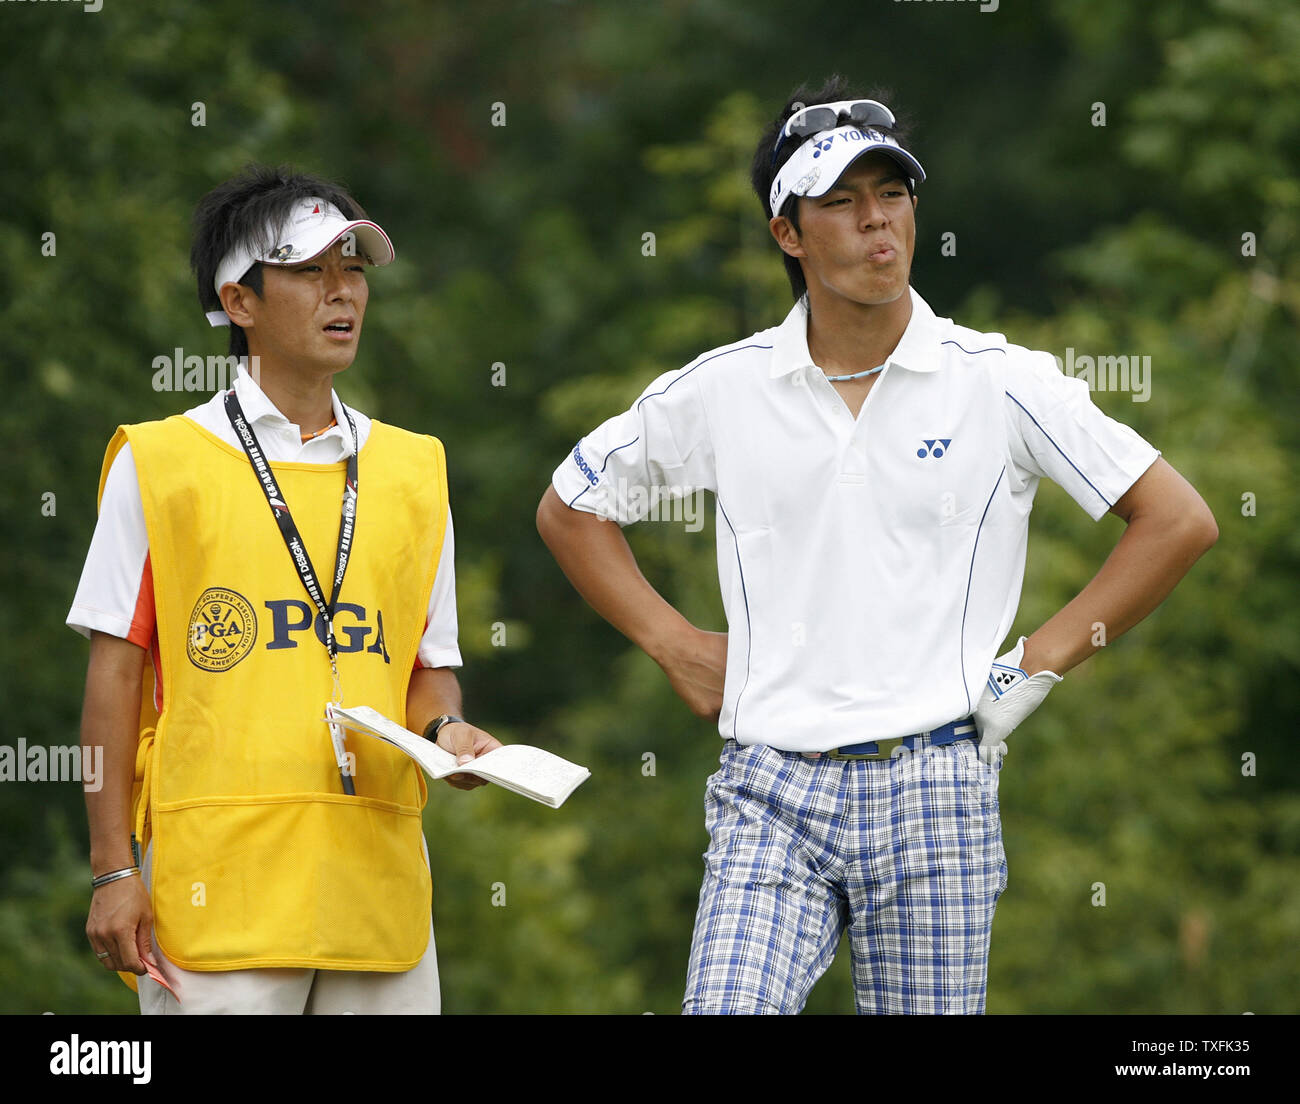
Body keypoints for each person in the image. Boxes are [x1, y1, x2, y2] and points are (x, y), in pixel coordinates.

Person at [535, 79, 1218, 1015]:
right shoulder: (723, 391)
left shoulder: (999, 379)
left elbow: (1178, 519)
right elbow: (571, 505)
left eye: (891, 196)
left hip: (939, 783)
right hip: (769, 787)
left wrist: (1042, 664)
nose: (876, 224)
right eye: (842, 203)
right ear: (788, 233)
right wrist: (673, 642)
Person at [69, 164, 499, 1014]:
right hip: (218, 888)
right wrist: (114, 870)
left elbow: (424, 668)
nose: (342, 293)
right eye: (310, 270)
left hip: (374, 889)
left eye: (354, 268)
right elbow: (112, 680)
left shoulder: (416, 471)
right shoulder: (159, 463)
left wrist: (448, 731)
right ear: (240, 302)